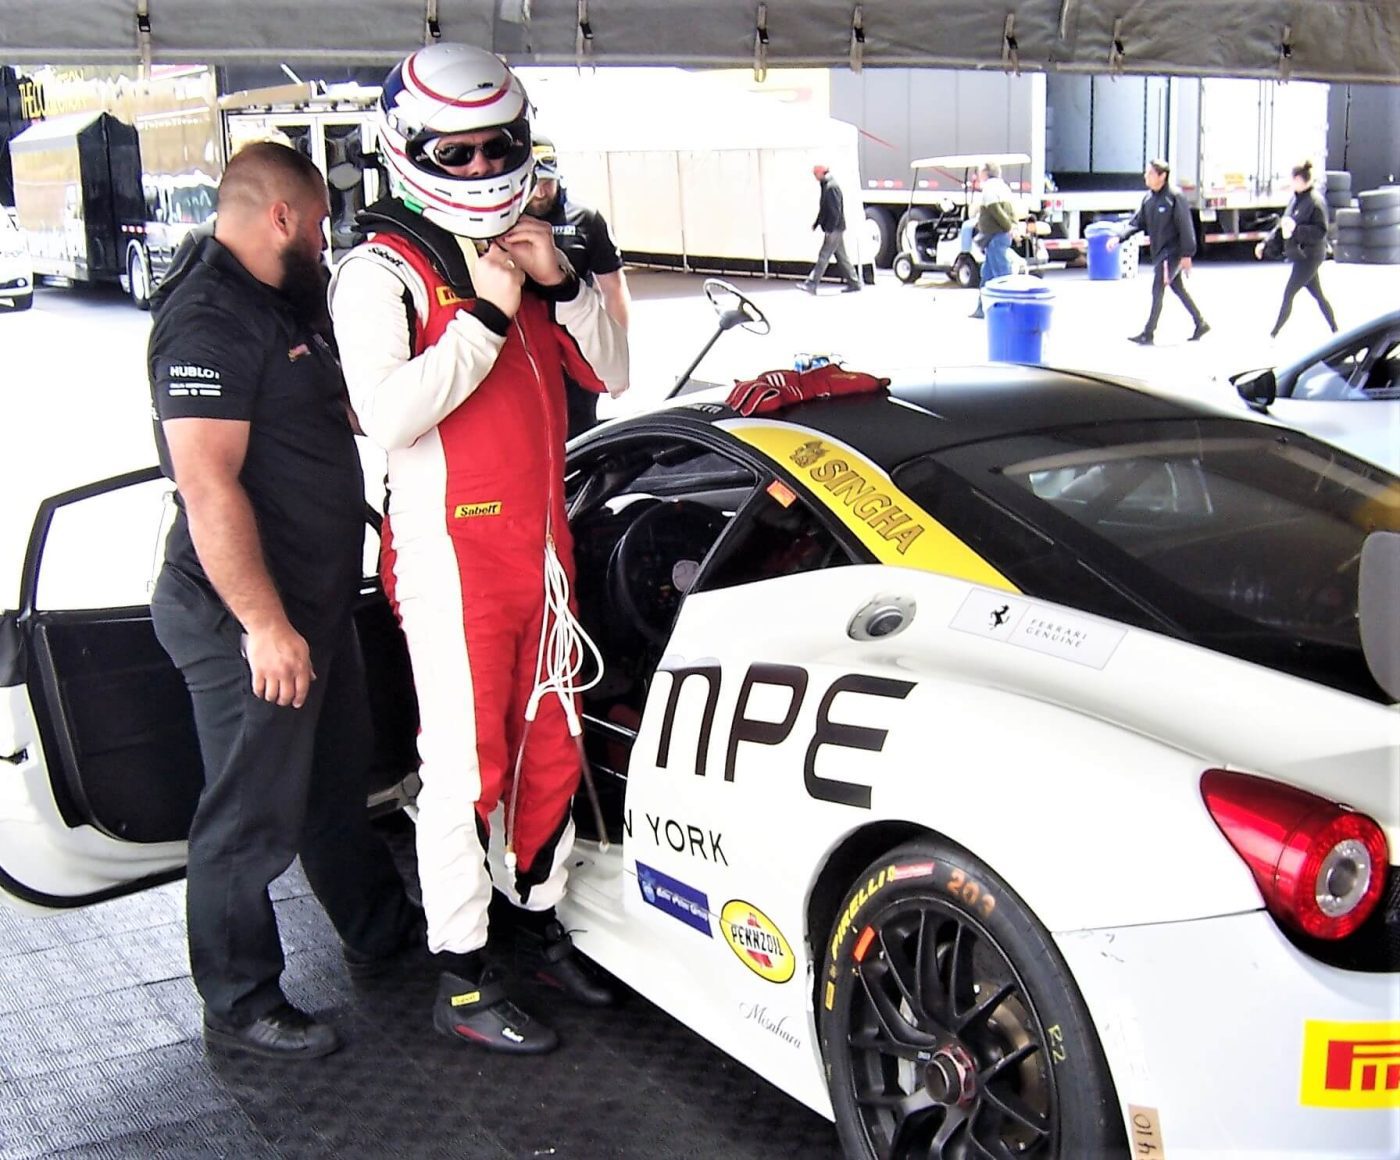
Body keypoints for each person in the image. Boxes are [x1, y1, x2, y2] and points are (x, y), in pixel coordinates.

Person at [329, 42, 629, 1055]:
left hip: (544, 561)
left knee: (551, 748)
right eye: (454, 151)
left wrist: (569, 277)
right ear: (408, 149)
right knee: (463, 770)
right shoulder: (377, 270)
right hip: (452, 564)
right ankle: (459, 973)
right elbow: (384, 412)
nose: (480, 165)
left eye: (495, 145)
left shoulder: (531, 252)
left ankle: (535, 922)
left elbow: (617, 372)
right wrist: (488, 321)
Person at [147, 141, 421, 1061]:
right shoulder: (207, 318)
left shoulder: (277, 302)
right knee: (250, 812)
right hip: (245, 619)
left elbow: (331, 412)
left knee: (337, 785)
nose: (325, 242)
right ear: (282, 219)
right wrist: (264, 627)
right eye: (318, 226)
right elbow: (209, 485)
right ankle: (241, 997)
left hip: (311, 605)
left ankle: (382, 935)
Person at [524, 133, 631, 439]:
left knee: (579, 435)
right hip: (528, 347)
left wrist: (614, 351)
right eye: (534, 183)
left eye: (548, 182)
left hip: (577, 348)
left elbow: (614, 288)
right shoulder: (503, 222)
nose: (542, 192)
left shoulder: (586, 218)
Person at [1109, 159, 1210, 345]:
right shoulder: (1149, 199)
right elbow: (1136, 223)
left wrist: (1187, 254)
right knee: (1177, 288)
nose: (1145, 177)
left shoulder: (1174, 196)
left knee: (1158, 289)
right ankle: (1200, 322)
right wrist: (1118, 238)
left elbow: (1185, 226)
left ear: (1162, 176)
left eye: (1150, 174)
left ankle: (1149, 333)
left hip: (1172, 252)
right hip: (1159, 252)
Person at [1256, 160, 1338, 338]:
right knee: (1318, 295)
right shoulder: (1296, 199)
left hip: (1310, 255)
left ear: (1300, 180)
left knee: (1289, 293)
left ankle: (1273, 333)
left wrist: (1296, 231)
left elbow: (1321, 230)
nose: (1290, 183)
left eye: (1293, 179)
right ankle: (1335, 329)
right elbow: (1282, 224)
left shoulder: (1315, 202)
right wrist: (1265, 243)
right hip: (1299, 254)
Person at [800, 164, 861, 294]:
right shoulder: (827, 185)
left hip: (834, 229)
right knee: (842, 257)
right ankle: (854, 282)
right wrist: (817, 223)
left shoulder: (831, 187)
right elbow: (824, 208)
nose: (814, 177)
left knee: (824, 256)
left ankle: (811, 284)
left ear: (821, 173)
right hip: (837, 228)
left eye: (815, 174)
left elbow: (834, 211)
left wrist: (830, 229)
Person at [969, 159, 1017, 318]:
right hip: (999, 236)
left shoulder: (989, 188)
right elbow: (1010, 212)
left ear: (985, 172)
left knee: (1001, 275)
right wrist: (1013, 226)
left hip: (996, 236)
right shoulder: (1003, 186)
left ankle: (1009, 310)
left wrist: (1009, 227)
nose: (977, 175)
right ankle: (982, 309)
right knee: (987, 275)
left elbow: (996, 212)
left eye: (979, 171)